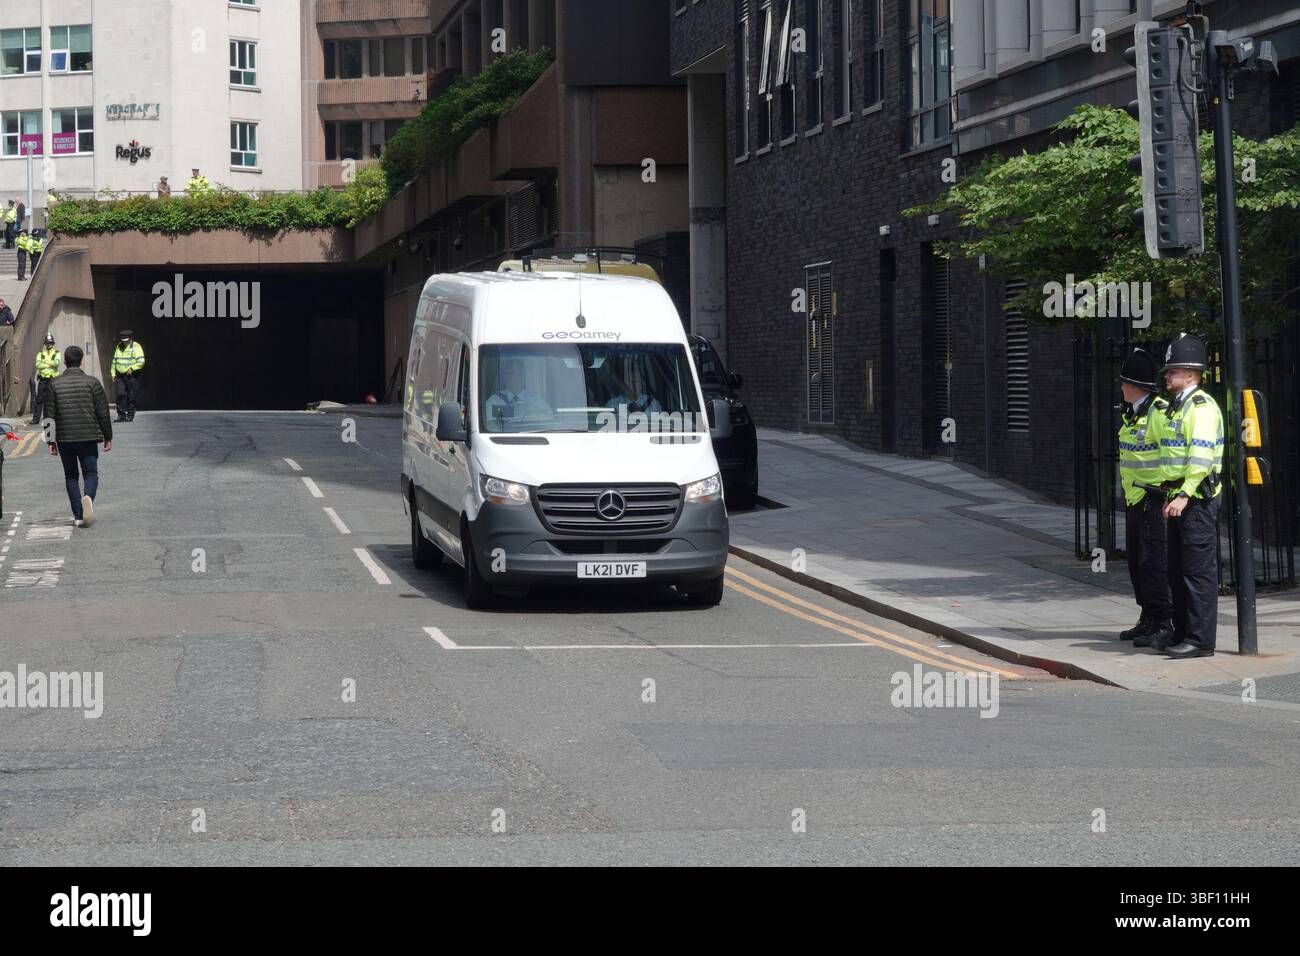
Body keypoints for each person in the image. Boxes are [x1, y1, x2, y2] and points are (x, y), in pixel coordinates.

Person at [1148, 333, 1225, 660]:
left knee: (1197, 574)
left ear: (1192, 375)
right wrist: (1171, 494)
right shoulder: (1176, 408)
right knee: (1177, 571)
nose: (1167, 376)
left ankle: (1200, 640)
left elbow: (1200, 458)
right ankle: (1182, 632)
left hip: (1196, 500)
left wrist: (1183, 496)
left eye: (1173, 371)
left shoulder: (1202, 407)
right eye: (1167, 371)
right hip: (1178, 497)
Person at [1115, 348, 1174, 649]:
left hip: (1155, 499)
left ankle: (1163, 620)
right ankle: (1148, 616)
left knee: (1154, 563)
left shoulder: (1159, 413)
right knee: (1137, 563)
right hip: (1136, 499)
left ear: (1135, 385)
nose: (1121, 386)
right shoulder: (1133, 413)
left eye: (1124, 382)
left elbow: (1173, 453)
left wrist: (1169, 491)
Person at [43, 345, 112, 528]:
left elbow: (49, 414)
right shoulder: (93, 383)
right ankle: (88, 496)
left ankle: (79, 516)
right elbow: (103, 412)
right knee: (90, 473)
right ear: (81, 361)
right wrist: (108, 436)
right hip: (88, 437)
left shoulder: (54, 384)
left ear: (65, 361)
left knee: (71, 476)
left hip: (65, 439)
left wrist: (50, 440)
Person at [484, 358, 549, 420]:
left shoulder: (536, 400)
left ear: (524, 376)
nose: (515, 378)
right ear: (504, 377)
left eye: (519, 374)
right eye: (510, 374)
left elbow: (549, 419)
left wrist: (531, 409)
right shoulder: (494, 401)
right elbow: (490, 425)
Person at [111, 330, 146, 422]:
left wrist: (132, 368)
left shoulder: (136, 347)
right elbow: (115, 360)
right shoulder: (119, 346)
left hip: (131, 375)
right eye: (123, 340)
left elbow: (141, 361)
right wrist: (113, 373)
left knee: (131, 395)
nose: (124, 342)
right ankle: (121, 415)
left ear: (130, 339)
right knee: (120, 394)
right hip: (120, 375)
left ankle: (130, 415)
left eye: (126, 340)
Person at [31, 332, 61, 425]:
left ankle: (54, 419)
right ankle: (35, 419)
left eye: (50, 342)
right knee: (39, 400)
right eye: (47, 343)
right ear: (45, 343)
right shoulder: (40, 353)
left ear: (53, 343)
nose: (49, 344)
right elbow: (38, 365)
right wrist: (50, 363)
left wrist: (45, 362)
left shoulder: (57, 353)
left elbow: (57, 363)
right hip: (43, 380)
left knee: (54, 400)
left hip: (53, 380)